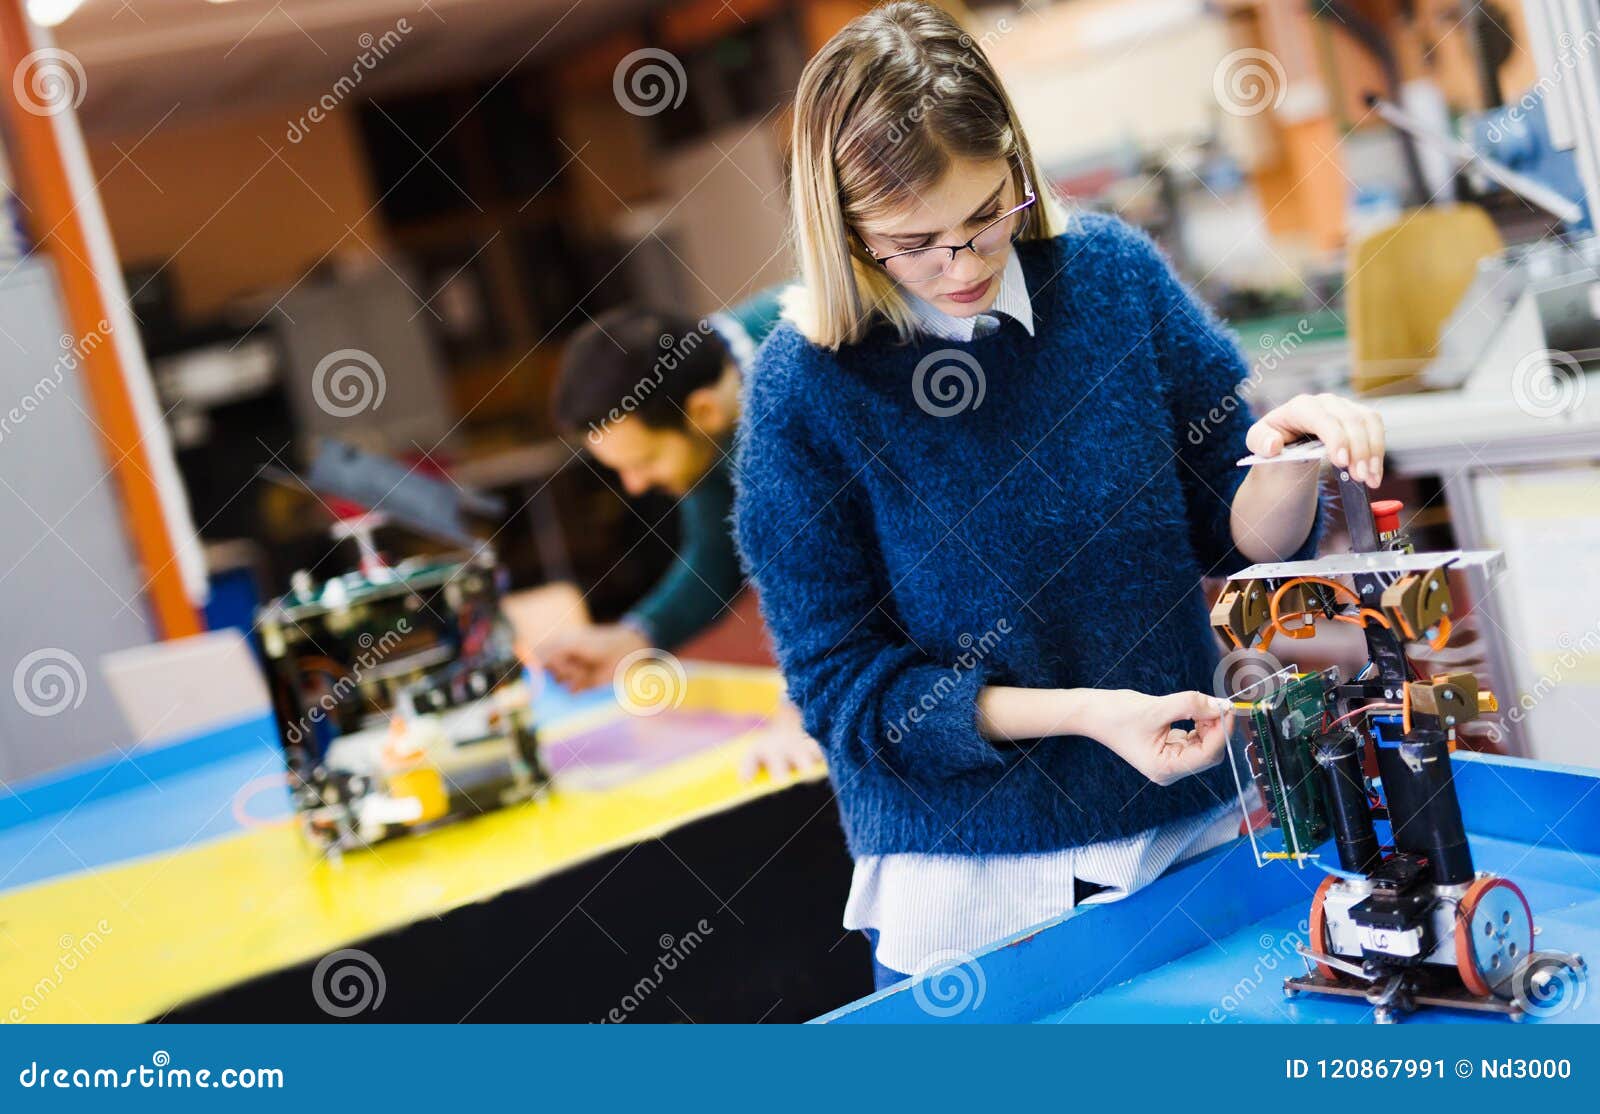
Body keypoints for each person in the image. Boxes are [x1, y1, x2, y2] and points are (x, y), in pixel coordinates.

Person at [732, 1, 1388, 989]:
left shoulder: (1111, 280)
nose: (960, 264)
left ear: (1016, 168)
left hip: (1186, 843)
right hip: (973, 895)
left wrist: (1291, 457)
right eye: (914, 241)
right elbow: (844, 691)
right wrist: (1088, 714)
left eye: (984, 215)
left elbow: (1235, 527)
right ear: (844, 227)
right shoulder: (805, 387)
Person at [548, 302, 822, 780]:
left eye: (644, 460)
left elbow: (821, 579)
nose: (633, 485)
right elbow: (715, 554)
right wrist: (635, 636)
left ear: (703, 411)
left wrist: (800, 707)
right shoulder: (699, 374)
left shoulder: (793, 395)